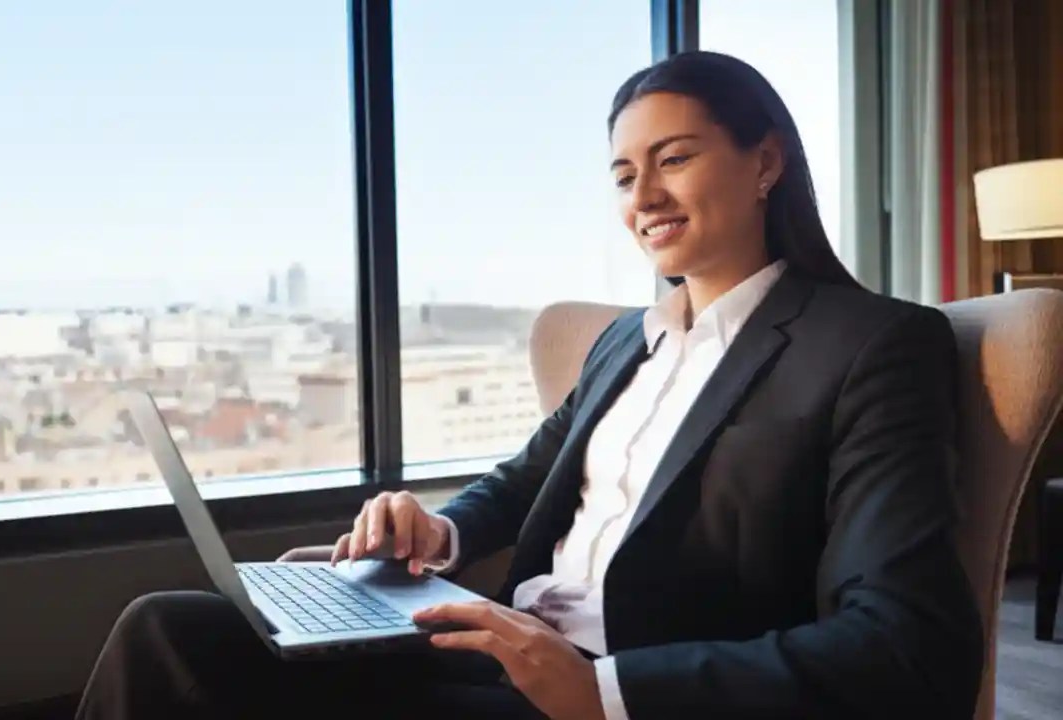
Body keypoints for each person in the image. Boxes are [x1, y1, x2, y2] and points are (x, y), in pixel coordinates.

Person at [74, 50, 984, 720]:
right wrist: (440, 531)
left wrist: (603, 691)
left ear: (766, 164)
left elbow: (907, 642)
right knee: (167, 628)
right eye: (624, 174)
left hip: (611, 689)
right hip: (488, 646)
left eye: (674, 159)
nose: (643, 197)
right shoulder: (624, 342)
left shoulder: (871, 344)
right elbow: (521, 483)